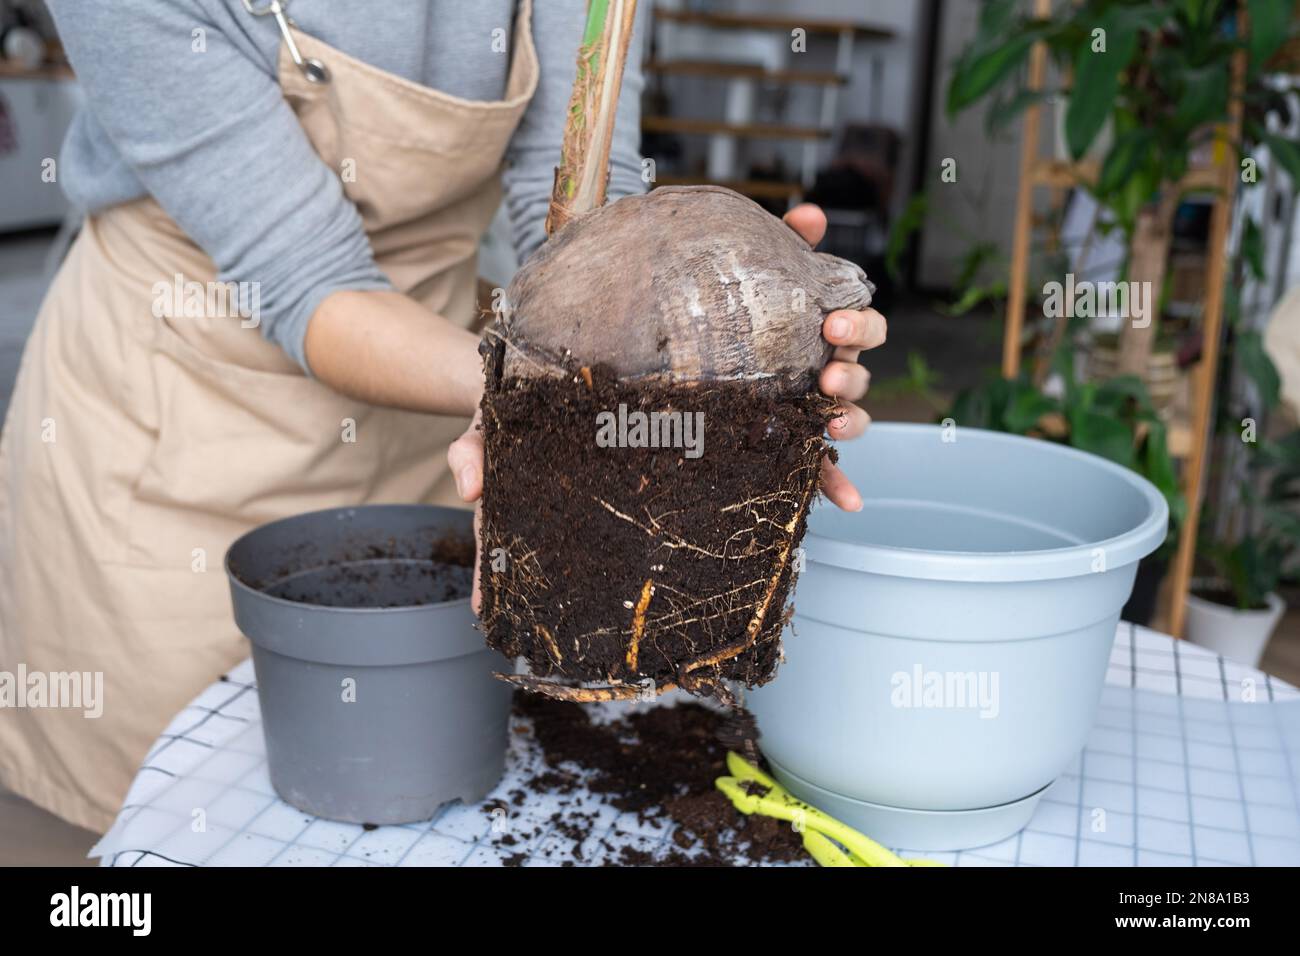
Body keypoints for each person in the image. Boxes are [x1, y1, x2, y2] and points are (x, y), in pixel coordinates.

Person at [0, 0, 887, 833]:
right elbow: (311, 282)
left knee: (416, 778)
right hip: (185, 399)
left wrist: (721, 342)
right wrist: (551, 404)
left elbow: (582, 227)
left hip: (447, 388)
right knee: (193, 810)